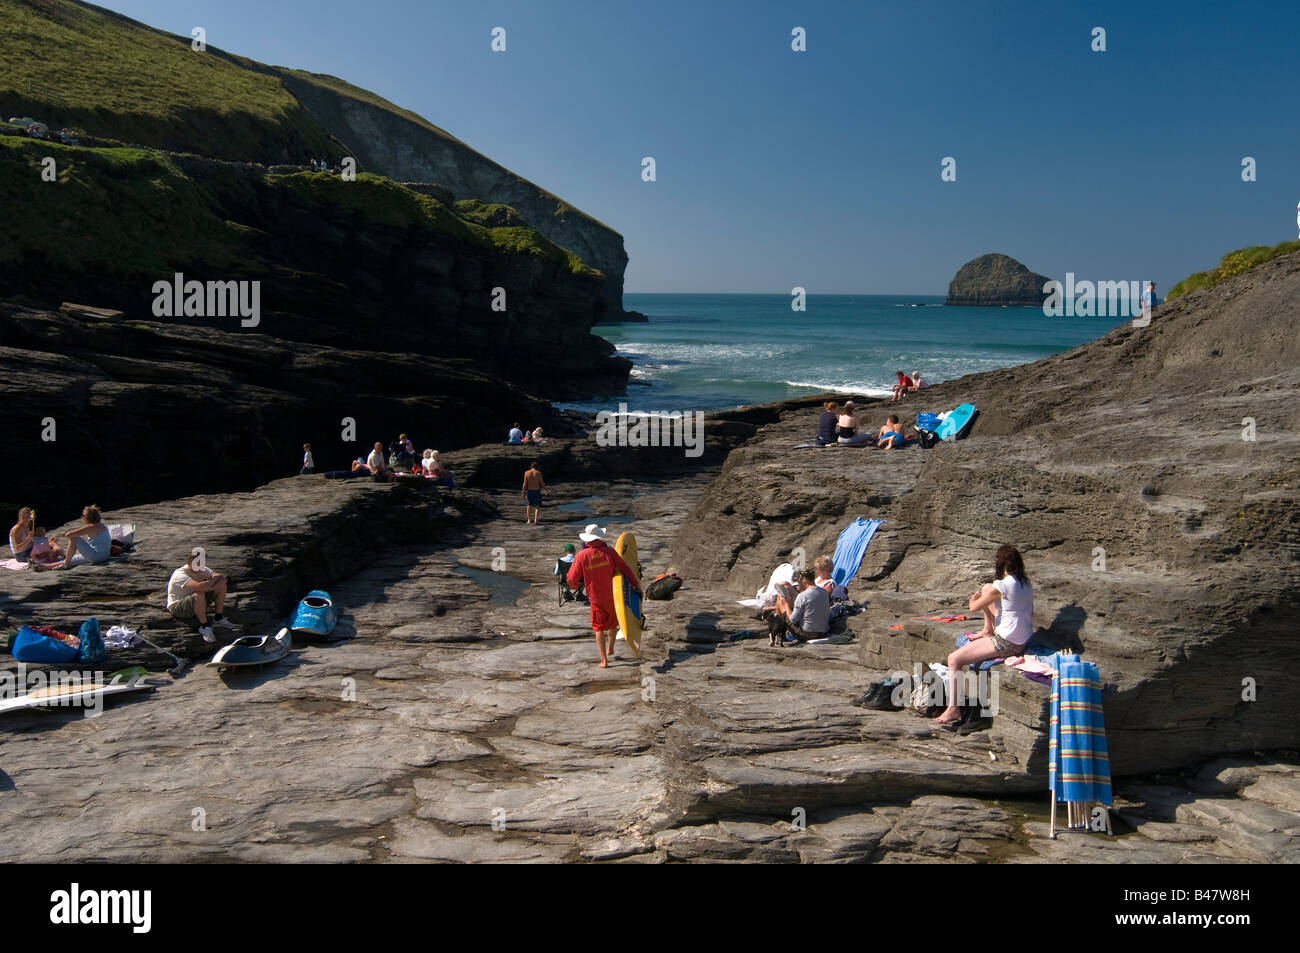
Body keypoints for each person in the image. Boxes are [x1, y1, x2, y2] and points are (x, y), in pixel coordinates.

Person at [933, 545, 1034, 726]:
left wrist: (973, 599)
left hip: (1007, 642)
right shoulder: (1026, 583)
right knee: (987, 587)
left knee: (954, 659)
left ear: (1000, 564)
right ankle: (987, 630)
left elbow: (974, 607)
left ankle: (953, 708)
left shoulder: (1002, 585)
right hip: (1022, 637)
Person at [566, 524, 641, 667]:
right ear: (599, 537)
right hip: (613, 595)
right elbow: (625, 568)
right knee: (612, 624)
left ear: (587, 540)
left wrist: (575, 586)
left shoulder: (582, 555)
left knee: (598, 628)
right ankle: (611, 648)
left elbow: (571, 578)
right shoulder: (610, 552)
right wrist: (635, 583)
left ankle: (604, 660)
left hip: (596, 598)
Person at [166, 551, 236, 643]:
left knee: (221, 586)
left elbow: (222, 579)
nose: (200, 567)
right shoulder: (180, 574)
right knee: (199, 593)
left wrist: (211, 583)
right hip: (179, 608)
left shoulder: (203, 570)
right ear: (190, 562)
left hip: (196, 602)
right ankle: (205, 626)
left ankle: (218, 618)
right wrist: (211, 582)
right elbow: (200, 587)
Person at [36, 505, 113, 571]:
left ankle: (65, 563)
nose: (81, 517)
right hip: (104, 555)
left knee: (75, 539)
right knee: (72, 559)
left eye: (83, 516)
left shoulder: (91, 527)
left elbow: (68, 535)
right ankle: (44, 566)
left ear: (88, 517)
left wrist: (80, 531)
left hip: (97, 556)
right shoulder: (101, 525)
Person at [776, 569, 831, 642]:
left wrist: (786, 604)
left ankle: (779, 634)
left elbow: (793, 620)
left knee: (781, 603)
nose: (798, 585)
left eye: (799, 583)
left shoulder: (803, 596)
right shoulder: (824, 592)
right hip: (823, 633)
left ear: (804, 580)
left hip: (807, 635)